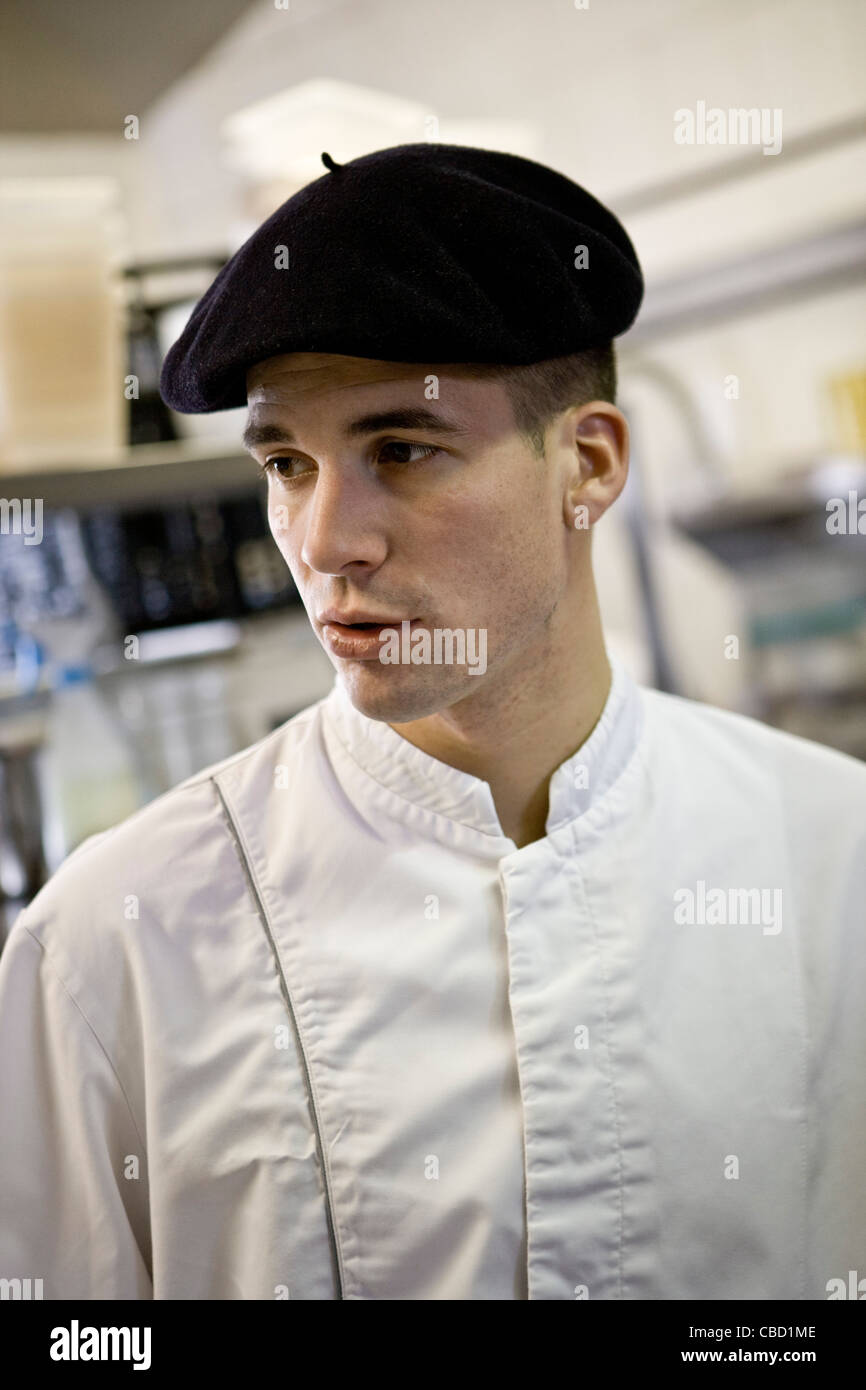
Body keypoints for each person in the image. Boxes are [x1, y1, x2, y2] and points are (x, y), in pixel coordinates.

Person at [0, 144, 863, 1301]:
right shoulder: (112, 945)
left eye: (400, 450)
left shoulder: (830, 859)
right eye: (287, 462)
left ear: (588, 462)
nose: (319, 541)